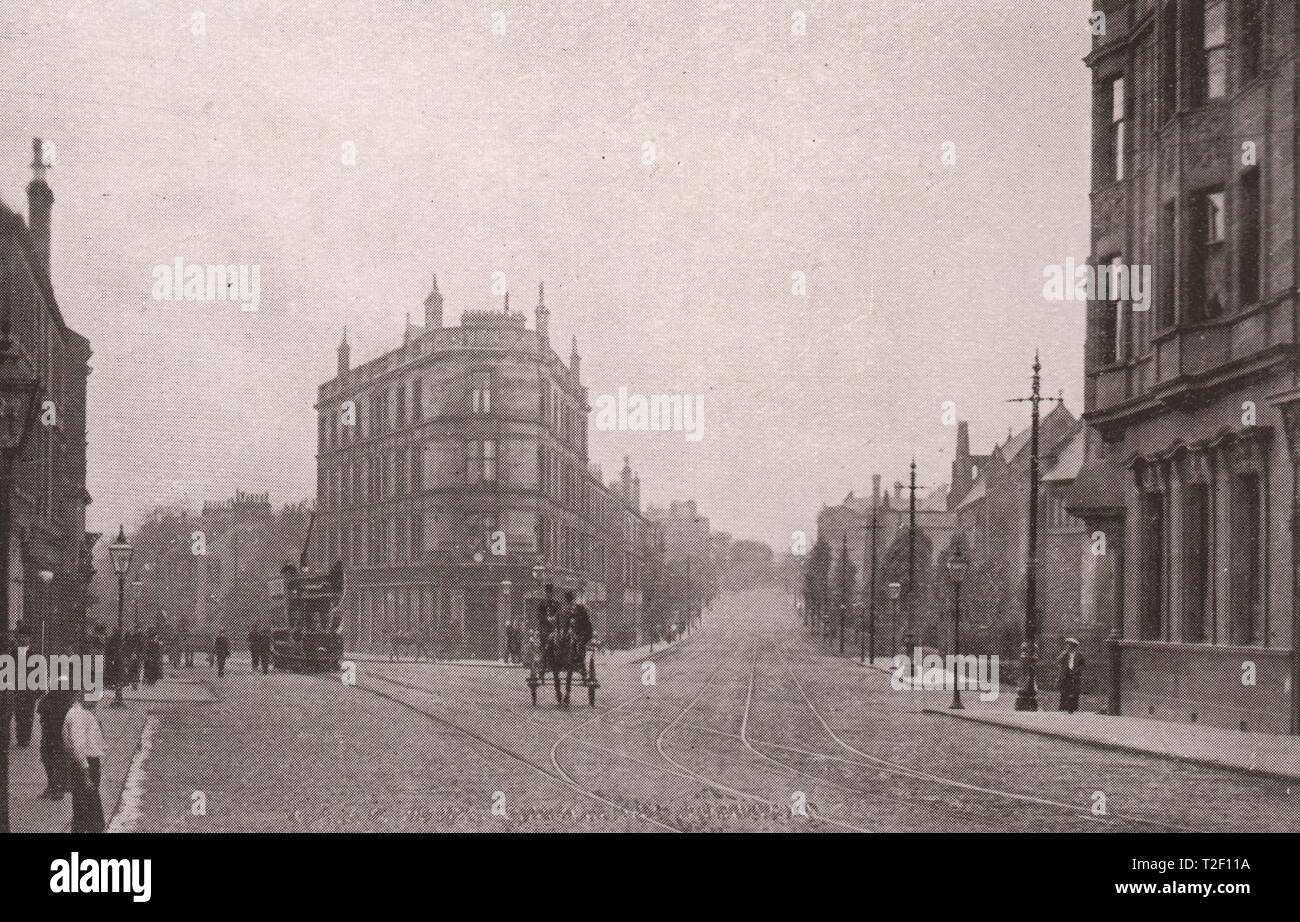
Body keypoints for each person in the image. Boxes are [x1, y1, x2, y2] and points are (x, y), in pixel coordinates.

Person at [63, 694, 106, 833]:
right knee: (91, 809)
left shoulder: (81, 712)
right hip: (86, 765)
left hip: (84, 764)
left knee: (83, 807)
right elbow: (78, 747)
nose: (97, 701)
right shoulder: (78, 716)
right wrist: (86, 775)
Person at [36, 683, 73, 799]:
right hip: (49, 713)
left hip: (62, 712)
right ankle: (52, 784)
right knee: (46, 754)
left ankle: (59, 786)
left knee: (59, 754)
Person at [12, 619, 37, 746]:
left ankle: (25, 738)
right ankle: (21, 737)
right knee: (19, 713)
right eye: (21, 636)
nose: (23, 639)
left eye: (26, 637)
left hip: (29, 688)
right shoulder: (13, 653)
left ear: (29, 638)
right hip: (17, 686)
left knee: (28, 714)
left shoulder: (33, 654)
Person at [1056, 638, 1086, 714]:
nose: (1068, 647)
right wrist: (1064, 653)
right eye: (1067, 645)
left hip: (1075, 675)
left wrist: (1078, 671)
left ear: (1074, 646)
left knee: (1074, 691)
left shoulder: (1079, 655)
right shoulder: (1065, 654)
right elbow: (1058, 660)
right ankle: (1063, 708)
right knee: (1065, 691)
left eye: (1070, 646)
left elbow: (1083, 665)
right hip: (1066, 675)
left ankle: (1072, 708)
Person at [572, 601, 593, 680]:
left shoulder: (585, 620)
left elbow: (587, 632)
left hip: (585, 636)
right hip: (578, 636)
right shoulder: (576, 618)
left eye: (576, 610)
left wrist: (580, 637)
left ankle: (581, 665)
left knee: (580, 646)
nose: (575, 612)